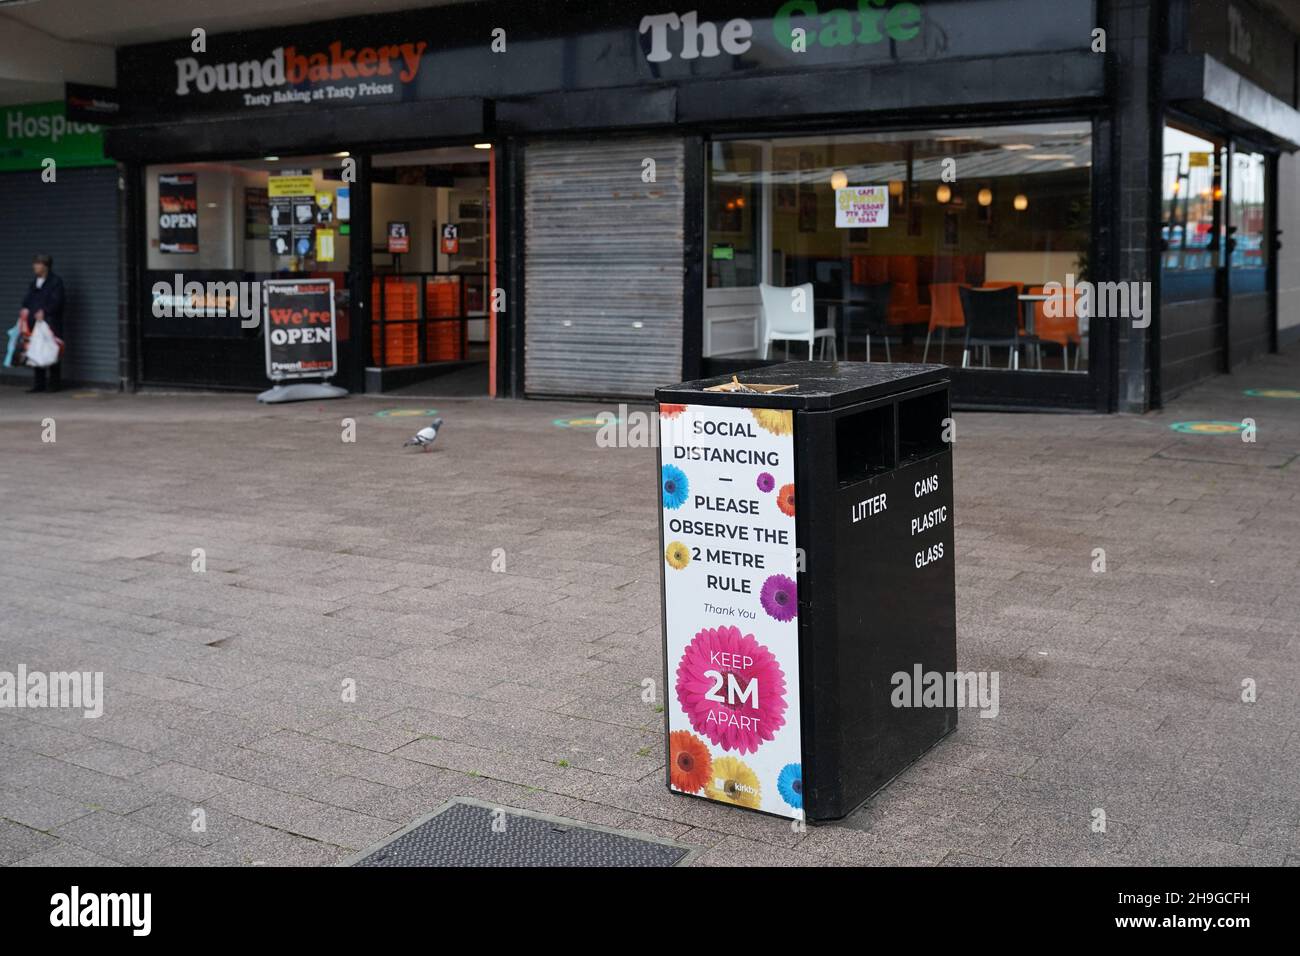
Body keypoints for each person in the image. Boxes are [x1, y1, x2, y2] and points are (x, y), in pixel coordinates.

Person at [21, 253, 65, 393]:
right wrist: (26, 310)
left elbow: (58, 301)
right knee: (36, 349)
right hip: (35, 322)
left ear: (45, 266)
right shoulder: (34, 283)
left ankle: (54, 383)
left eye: (38, 263)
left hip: (50, 322)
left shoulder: (55, 282)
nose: (34, 266)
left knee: (52, 349)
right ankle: (39, 383)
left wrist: (45, 312)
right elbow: (28, 300)